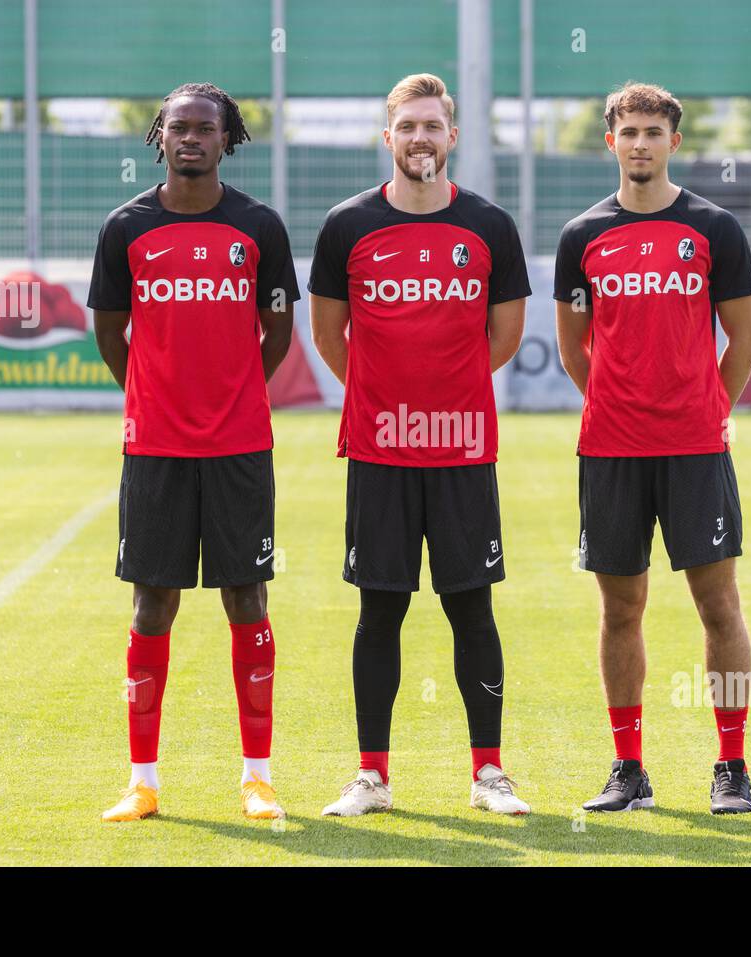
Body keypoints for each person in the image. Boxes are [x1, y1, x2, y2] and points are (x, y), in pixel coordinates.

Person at [309, 73, 531, 816]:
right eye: (407, 126)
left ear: (452, 137)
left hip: (462, 449)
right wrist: (386, 397)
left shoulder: (490, 225)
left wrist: (444, 394)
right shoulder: (346, 225)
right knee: (380, 611)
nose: (420, 138)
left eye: (433, 125)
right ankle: (372, 776)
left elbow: (504, 336)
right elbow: (329, 335)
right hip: (380, 452)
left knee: (472, 608)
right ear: (388, 138)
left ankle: (489, 773)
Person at [88, 82, 299, 822]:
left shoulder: (259, 227)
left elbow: (277, 331)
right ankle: (142, 781)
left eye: (205, 128)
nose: (190, 138)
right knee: (153, 603)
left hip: (240, 445)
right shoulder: (126, 227)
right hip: (155, 447)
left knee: (248, 597)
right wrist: (153, 394)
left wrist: (234, 392)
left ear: (226, 138)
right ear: (160, 136)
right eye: (178, 127)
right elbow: (110, 331)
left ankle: (257, 777)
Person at [553, 82, 751, 814]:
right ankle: (629, 767)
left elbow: (745, 338)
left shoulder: (714, 229)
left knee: (718, 604)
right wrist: (617, 406)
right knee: (620, 609)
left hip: (695, 450)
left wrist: (706, 409)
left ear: (674, 142)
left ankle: (731, 764)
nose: (639, 143)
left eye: (652, 132)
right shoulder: (582, 236)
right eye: (628, 131)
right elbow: (574, 348)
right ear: (609, 141)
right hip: (611, 451)